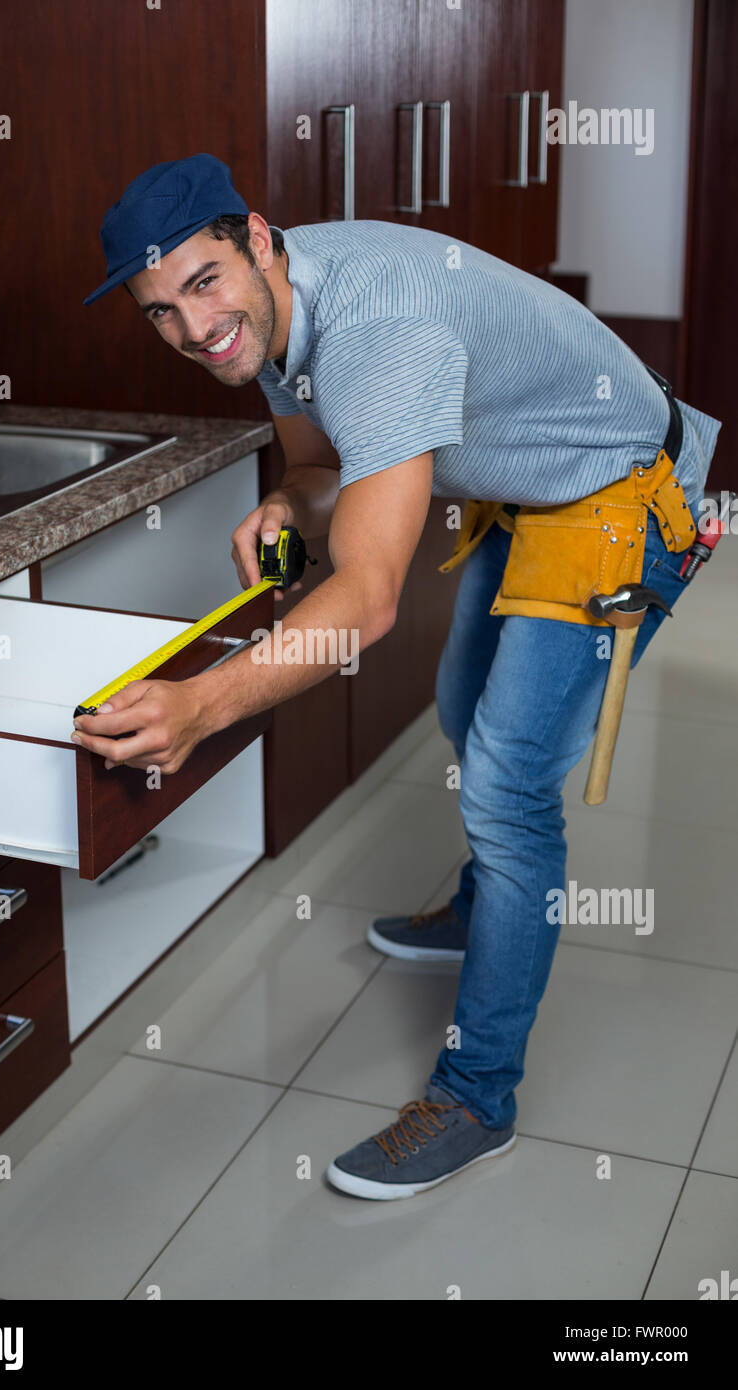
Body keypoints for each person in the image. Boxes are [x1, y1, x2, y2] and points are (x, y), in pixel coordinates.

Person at [78, 154, 721, 1200]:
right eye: (161, 312)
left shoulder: (379, 330)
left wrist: (202, 703)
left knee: (509, 784)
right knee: (466, 714)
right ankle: (484, 907)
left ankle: (477, 1098)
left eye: (203, 284)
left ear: (251, 235)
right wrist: (290, 504)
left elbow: (369, 597)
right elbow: (319, 468)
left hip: (618, 493)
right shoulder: (273, 319)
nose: (196, 332)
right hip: (529, 486)